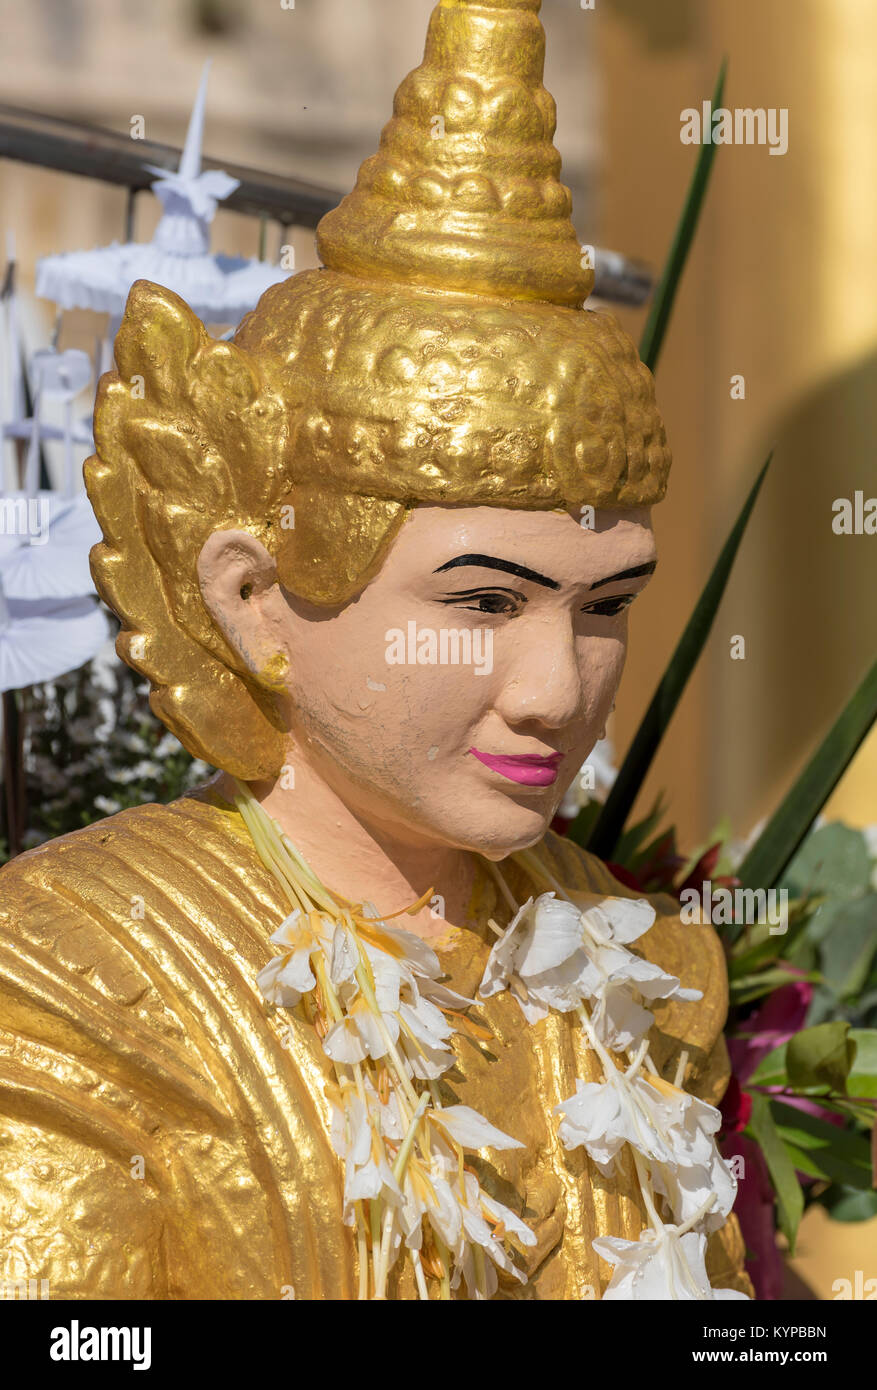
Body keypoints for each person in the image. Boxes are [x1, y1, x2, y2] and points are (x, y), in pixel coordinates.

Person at [0, 0, 751, 1300]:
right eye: (481, 604)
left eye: (604, 604)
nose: (556, 692)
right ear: (253, 596)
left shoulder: (644, 964)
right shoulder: (76, 975)